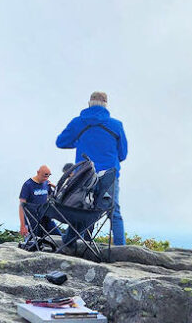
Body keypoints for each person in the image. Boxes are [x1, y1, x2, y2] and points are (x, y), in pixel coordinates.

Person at [55, 91, 129, 244]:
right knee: (113, 212)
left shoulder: (78, 122)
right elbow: (123, 154)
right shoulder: (116, 125)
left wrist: (80, 143)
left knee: (81, 209)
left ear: (89, 103)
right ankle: (120, 249)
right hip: (109, 176)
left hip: (84, 176)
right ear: (106, 105)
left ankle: (72, 243)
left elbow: (61, 142)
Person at [18, 165, 59, 237]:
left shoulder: (46, 183)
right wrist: (22, 225)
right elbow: (22, 204)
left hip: (45, 216)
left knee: (58, 236)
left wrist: (53, 186)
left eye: (48, 176)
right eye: (44, 176)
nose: (45, 178)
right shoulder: (28, 185)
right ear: (38, 172)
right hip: (32, 217)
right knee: (34, 239)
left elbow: (57, 194)